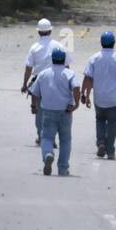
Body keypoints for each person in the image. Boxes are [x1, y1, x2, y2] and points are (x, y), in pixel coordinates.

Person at [81, 31, 116, 160]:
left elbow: (87, 78)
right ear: (114, 43)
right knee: (112, 124)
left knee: (100, 120)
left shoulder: (94, 58)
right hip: (115, 99)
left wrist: (85, 95)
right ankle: (110, 150)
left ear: (101, 43)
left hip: (99, 98)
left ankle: (101, 143)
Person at [29, 47, 80, 176]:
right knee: (65, 140)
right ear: (64, 60)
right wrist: (76, 103)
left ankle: (48, 154)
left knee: (46, 137)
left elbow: (35, 93)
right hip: (65, 111)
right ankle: (63, 168)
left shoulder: (43, 73)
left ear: (52, 59)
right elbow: (76, 87)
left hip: (47, 111)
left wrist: (34, 106)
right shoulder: (69, 73)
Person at [21, 18, 66, 146]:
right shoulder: (59, 46)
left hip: (38, 82)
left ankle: (42, 135)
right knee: (54, 109)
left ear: (39, 32)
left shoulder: (34, 47)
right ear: (50, 30)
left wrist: (25, 84)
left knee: (39, 111)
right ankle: (51, 137)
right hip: (56, 81)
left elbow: (29, 68)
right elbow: (66, 66)